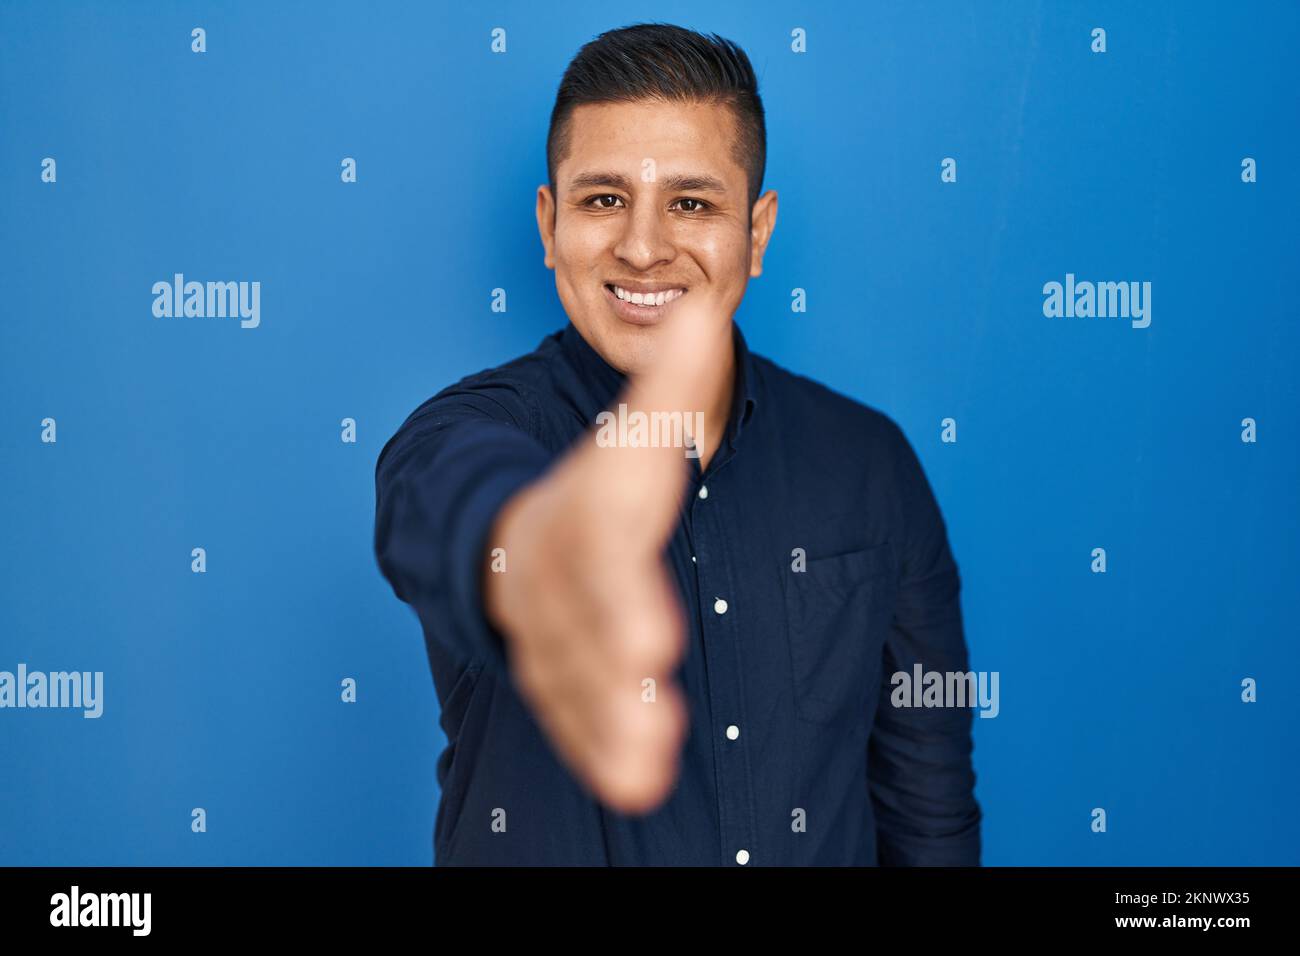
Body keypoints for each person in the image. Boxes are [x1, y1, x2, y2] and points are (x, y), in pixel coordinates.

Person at [373, 22, 980, 865]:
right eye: (603, 199)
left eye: (691, 203)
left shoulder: (871, 462)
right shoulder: (465, 433)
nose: (644, 247)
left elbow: (929, 803)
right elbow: (437, 503)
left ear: (757, 234)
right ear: (549, 225)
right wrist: (537, 550)